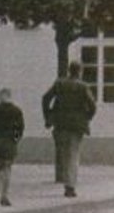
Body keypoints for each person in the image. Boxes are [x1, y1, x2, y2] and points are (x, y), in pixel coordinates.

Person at [41, 61, 96, 198]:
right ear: (80, 72)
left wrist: (48, 116)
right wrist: (86, 117)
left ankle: (66, 180)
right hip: (77, 125)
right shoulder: (83, 87)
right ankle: (70, 186)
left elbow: (45, 98)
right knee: (73, 154)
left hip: (60, 124)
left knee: (64, 153)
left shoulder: (59, 84)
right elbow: (92, 106)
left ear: (69, 70)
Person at [0, 88, 25, 206]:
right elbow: (21, 128)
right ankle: (4, 195)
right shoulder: (16, 111)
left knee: (0, 167)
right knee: (8, 168)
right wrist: (16, 139)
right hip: (10, 141)